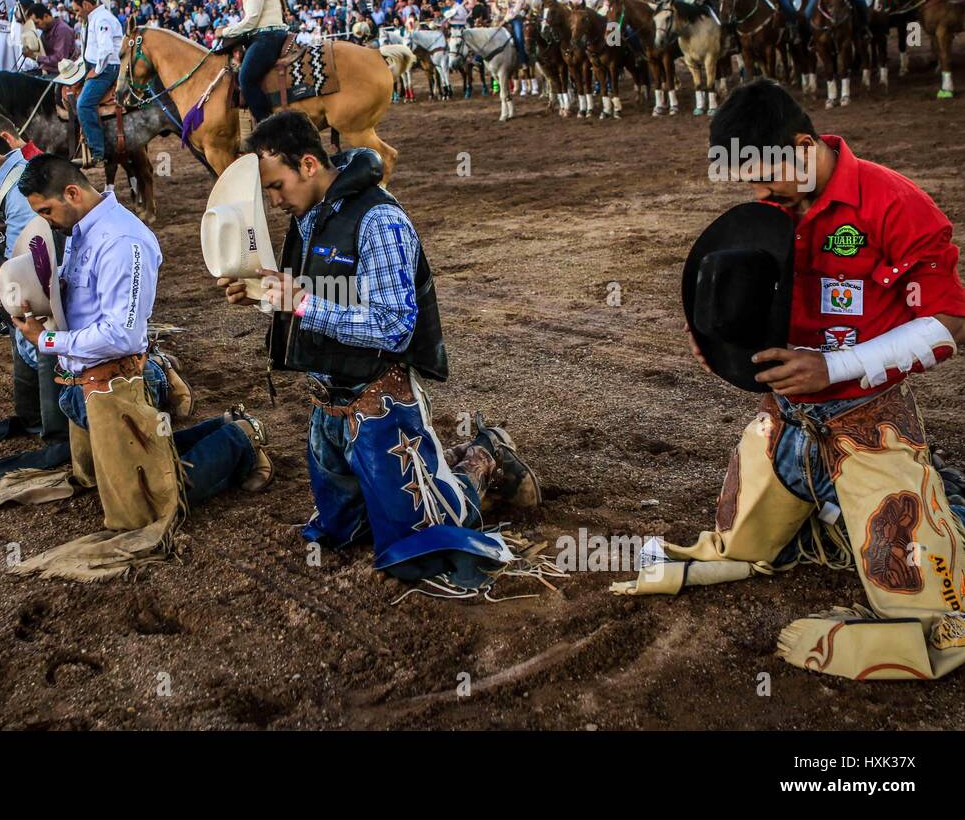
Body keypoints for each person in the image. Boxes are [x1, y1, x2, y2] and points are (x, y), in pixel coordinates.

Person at [619, 79, 965, 681]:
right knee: (738, 546)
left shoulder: (894, 202)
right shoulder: (776, 203)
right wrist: (724, 346)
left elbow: (949, 323)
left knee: (935, 608)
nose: (758, 195)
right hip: (786, 424)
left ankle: (921, 501)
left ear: (804, 145)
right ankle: (835, 512)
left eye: (766, 176)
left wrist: (834, 367)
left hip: (869, 424)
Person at [218, 112, 542, 592]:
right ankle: (436, 464)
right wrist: (266, 296)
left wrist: (299, 301)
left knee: (423, 539)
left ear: (309, 165)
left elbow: (393, 326)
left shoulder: (380, 220)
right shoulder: (309, 218)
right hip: (328, 406)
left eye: (275, 185)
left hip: (380, 401)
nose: (273, 199)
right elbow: (323, 299)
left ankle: (482, 455)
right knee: (343, 530)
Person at [9, 155, 270, 581]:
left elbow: (121, 336)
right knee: (108, 477)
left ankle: (239, 439)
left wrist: (49, 340)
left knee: (149, 505)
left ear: (72, 193)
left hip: (115, 382)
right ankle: (225, 429)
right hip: (89, 383)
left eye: (46, 211)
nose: (46, 221)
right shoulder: (82, 230)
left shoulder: (123, 240)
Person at [216, 0, 290, 125]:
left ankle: (268, 126)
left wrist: (223, 31)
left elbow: (251, 21)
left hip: (266, 38)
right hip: (269, 35)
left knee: (246, 78)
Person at [69, 0, 122, 168]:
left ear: (86, 5)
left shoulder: (102, 19)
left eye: (77, 10)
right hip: (93, 64)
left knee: (83, 104)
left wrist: (97, 70)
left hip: (107, 67)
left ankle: (98, 151)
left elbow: (106, 50)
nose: (76, 15)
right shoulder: (93, 19)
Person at [28, 3, 77, 76]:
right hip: (48, 70)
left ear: (46, 16)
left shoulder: (62, 30)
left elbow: (61, 60)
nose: (36, 27)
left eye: (37, 23)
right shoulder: (45, 31)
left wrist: (36, 57)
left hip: (64, 73)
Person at [493, 0, 530, 66]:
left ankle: (522, 60)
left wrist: (504, 20)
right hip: (506, 16)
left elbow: (516, 10)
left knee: (518, 37)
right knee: (492, 30)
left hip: (517, 17)